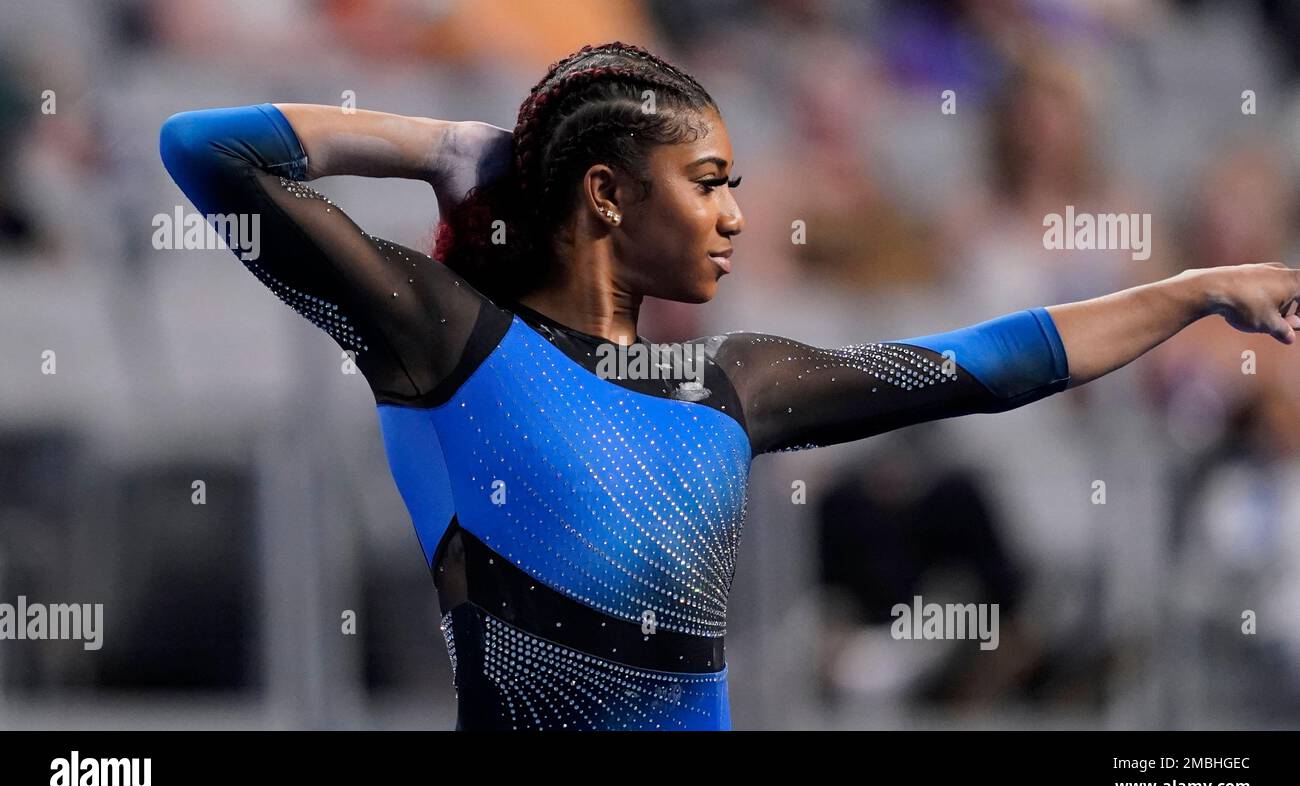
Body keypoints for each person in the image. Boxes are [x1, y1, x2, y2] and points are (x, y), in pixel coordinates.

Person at [159, 41, 1300, 730]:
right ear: (607, 196)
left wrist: (1194, 289)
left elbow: (985, 365)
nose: (737, 214)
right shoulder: (445, 339)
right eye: (706, 183)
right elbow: (201, 148)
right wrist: (445, 146)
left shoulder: (727, 383)